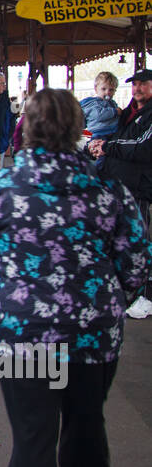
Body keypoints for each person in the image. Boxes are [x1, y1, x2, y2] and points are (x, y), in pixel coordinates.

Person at [0, 89, 152, 467]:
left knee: (32, 441)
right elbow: (136, 261)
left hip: (24, 339)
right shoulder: (108, 189)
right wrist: (110, 304)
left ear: (25, 127)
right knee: (86, 416)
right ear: (76, 130)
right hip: (93, 338)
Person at [89, 68, 152, 318]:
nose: (137, 89)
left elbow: (143, 146)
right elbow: (116, 139)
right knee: (123, 241)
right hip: (121, 185)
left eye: (144, 84)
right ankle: (127, 291)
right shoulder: (127, 113)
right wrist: (95, 146)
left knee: (142, 241)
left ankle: (146, 296)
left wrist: (107, 147)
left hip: (141, 187)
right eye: (135, 84)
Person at [80, 70, 120, 142]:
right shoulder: (93, 103)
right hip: (99, 134)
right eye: (103, 89)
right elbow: (98, 115)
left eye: (111, 90)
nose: (107, 92)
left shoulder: (112, 103)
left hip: (113, 132)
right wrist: (115, 112)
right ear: (96, 88)